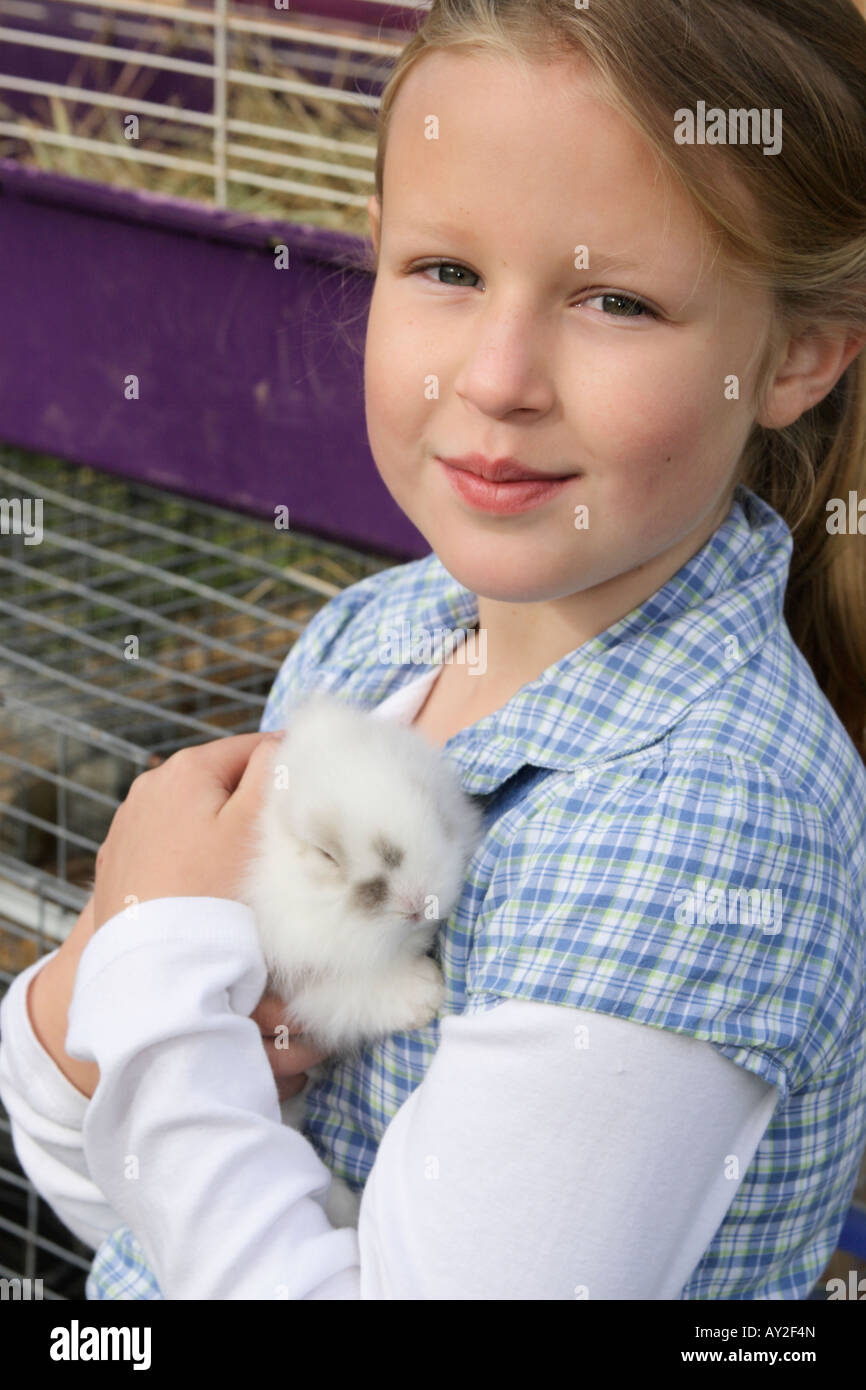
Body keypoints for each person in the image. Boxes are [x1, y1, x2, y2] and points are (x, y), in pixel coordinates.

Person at [2, 0, 866, 1300]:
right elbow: (127, 1208)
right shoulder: (380, 632)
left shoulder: (698, 820)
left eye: (614, 298)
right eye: (446, 272)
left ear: (797, 354)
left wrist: (154, 968)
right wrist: (84, 1004)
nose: (497, 374)